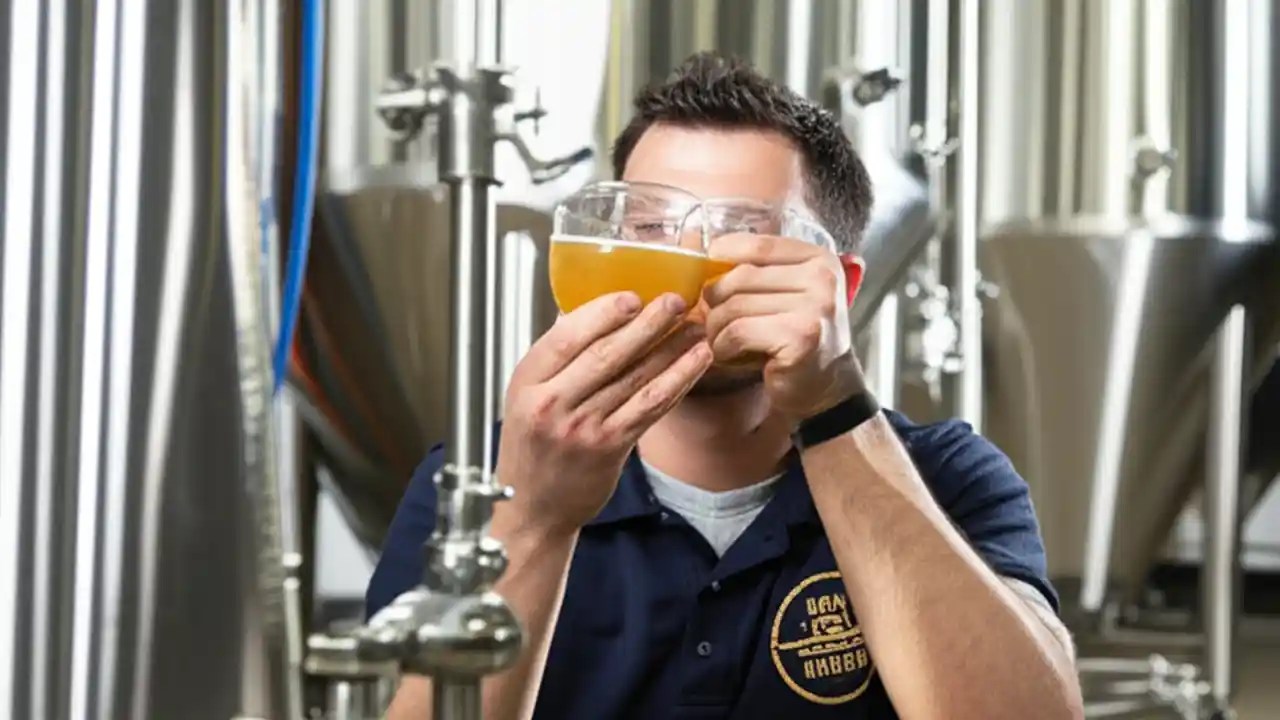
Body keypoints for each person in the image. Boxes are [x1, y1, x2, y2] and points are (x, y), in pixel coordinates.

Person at [367, 52, 1083, 720]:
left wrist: (833, 405)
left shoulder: (948, 479)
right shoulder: (473, 482)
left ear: (840, 284)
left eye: (738, 232)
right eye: (651, 228)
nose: (683, 267)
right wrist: (534, 520)